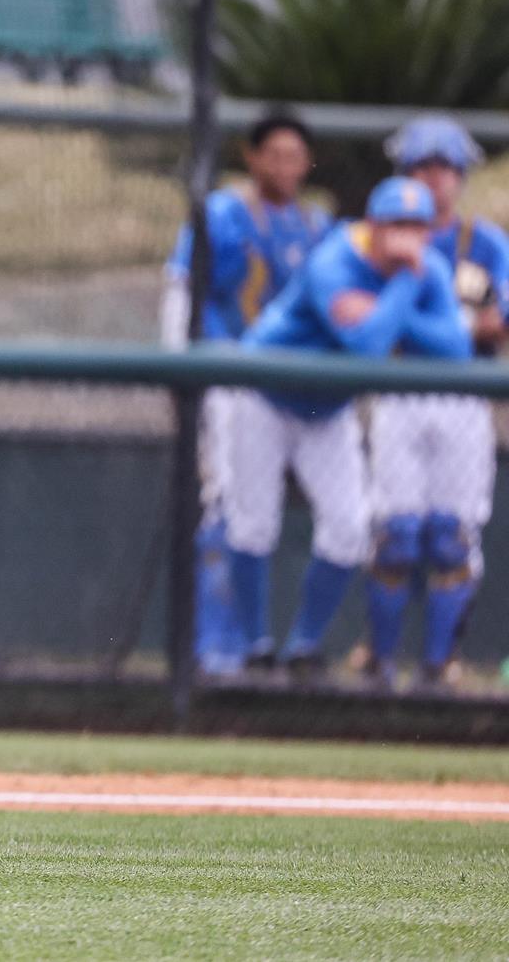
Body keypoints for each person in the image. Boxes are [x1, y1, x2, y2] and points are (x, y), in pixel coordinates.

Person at [231, 177, 470, 676]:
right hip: (263, 394)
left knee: (350, 528)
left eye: (417, 226)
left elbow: (455, 349)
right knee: (253, 525)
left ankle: (303, 648)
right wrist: (404, 299)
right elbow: (366, 347)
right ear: (373, 225)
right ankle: (253, 649)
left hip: (328, 409)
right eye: (396, 225)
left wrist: (394, 304)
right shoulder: (334, 260)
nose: (407, 237)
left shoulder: (427, 268)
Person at [161, 112, 329, 673]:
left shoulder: (315, 224)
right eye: (273, 154)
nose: (285, 165)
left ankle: (279, 645)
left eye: (294, 155)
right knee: (227, 502)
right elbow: (183, 289)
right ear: (252, 157)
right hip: (228, 374)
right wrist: (185, 369)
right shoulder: (224, 214)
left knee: (301, 515)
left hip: (293, 388)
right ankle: (217, 645)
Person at [363, 117, 508, 688]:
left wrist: (449, 324)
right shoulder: (376, 237)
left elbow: (501, 322)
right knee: (396, 535)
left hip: (464, 397)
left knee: (451, 536)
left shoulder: (485, 241)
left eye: (446, 168)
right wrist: (461, 324)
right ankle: (379, 662)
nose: (435, 179)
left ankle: (438, 665)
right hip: (400, 393)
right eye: (423, 168)